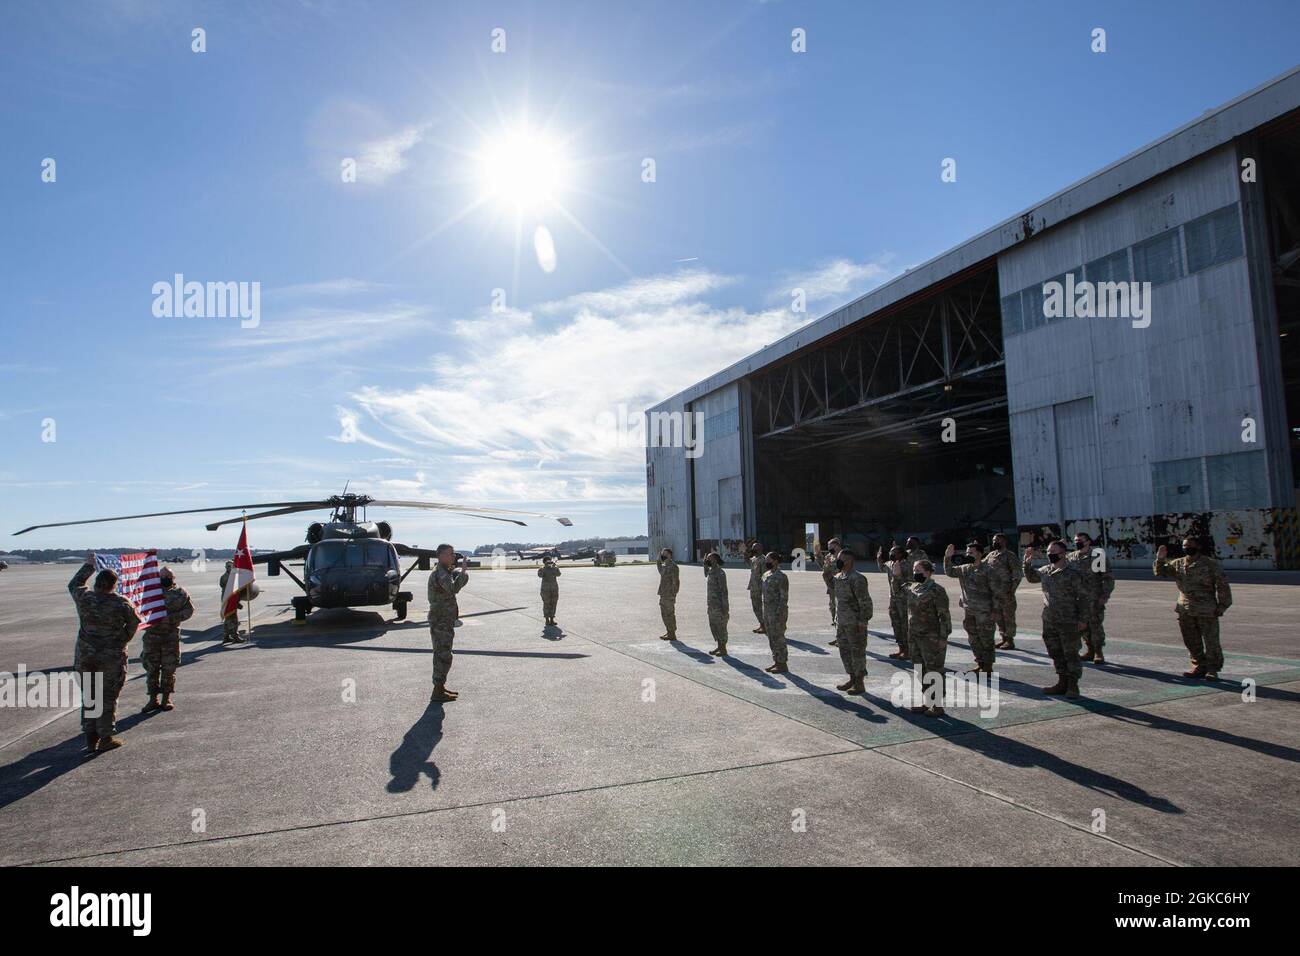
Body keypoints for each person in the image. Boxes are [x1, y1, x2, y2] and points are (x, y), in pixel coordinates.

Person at [68, 558, 140, 751]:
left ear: (97, 583)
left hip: (86, 656)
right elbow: (134, 623)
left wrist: (89, 565)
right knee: (107, 697)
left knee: (90, 696)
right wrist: (121, 640)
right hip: (111, 657)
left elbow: (74, 584)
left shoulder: (84, 597)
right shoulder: (121, 603)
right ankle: (106, 737)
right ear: (114, 585)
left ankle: (90, 737)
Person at [1153, 536, 1233, 680]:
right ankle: (1198, 666)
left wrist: (1222, 606)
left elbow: (1222, 586)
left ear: (1198, 547)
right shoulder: (1178, 564)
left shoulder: (1210, 564)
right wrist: (1160, 559)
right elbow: (1160, 572)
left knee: (1211, 641)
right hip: (1185, 609)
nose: (1186, 548)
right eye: (1184, 545)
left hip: (1206, 609)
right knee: (1191, 640)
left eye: (1189, 545)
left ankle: (1212, 669)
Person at [1023, 541, 1088, 698]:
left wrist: (1083, 619)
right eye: (1048, 551)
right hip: (1050, 619)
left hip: (1069, 620)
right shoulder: (1046, 570)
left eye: (1053, 552)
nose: (1050, 554)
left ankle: (1073, 686)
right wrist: (1026, 563)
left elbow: (1084, 598)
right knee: (1055, 652)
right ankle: (1062, 682)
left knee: (1070, 653)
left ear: (1063, 553)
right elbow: (1031, 577)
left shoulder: (1074, 572)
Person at [141, 566, 194, 713]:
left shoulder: (180, 593)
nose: (165, 579)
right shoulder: (150, 593)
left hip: (170, 637)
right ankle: (152, 699)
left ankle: (166, 699)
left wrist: (173, 618)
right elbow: (138, 609)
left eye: (168, 577)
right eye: (162, 576)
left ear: (173, 578)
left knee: (169, 669)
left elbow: (189, 610)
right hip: (152, 637)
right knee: (151, 669)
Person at [944, 541, 996, 674]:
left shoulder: (989, 569)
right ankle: (980, 663)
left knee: (986, 639)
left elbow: (997, 591)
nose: (968, 555)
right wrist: (947, 557)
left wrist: (995, 610)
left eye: (971, 552)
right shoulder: (965, 568)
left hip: (984, 611)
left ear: (979, 554)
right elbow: (950, 572)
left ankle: (988, 666)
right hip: (969, 610)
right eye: (967, 552)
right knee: (973, 638)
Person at [906, 559, 951, 716]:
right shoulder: (913, 587)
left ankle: (938, 706)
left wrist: (943, 638)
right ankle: (927, 701)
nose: (915, 573)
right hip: (915, 636)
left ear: (928, 572)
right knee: (920, 670)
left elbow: (944, 616)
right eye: (914, 570)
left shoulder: (937, 590)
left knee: (934, 670)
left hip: (931, 637)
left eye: (918, 571)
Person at [1066, 530, 1116, 664]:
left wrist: (1105, 595)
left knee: (1095, 625)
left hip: (1093, 597)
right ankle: (1090, 650)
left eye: (1080, 541)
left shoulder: (1096, 555)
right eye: (1076, 541)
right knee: (1083, 626)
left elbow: (1107, 577)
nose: (1077, 543)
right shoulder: (1071, 557)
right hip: (1077, 599)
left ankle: (1099, 652)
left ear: (1088, 542)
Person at [428, 545, 469, 702]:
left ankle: (440, 687)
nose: (453, 556)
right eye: (450, 554)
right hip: (441, 620)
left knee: (443, 653)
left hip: (444, 619)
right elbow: (452, 588)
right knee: (443, 654)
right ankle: (438, 690)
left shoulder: (444, 571)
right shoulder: (441, 573)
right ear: (441, 556)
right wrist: (463, 572)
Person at [832, 549, 872, 694]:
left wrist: (863, 621)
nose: (838, 561)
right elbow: (829, 585)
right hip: (842, 622)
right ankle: (852, 678)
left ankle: (859, 683)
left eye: (841, 559)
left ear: (849, 561)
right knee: (844, 651)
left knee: (857, 652)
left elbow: (865, 602)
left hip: (855, 623)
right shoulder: (838, 577)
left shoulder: (857, 579)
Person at [984, 533, 1022, 649]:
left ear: (1004, 542)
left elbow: (1017, 575)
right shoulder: (991, 555)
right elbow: (981, 565)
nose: (995, 542)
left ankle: (1010, 641)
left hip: (1006, 593)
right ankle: (1003, 638)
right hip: (994, 594)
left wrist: (1011, 590)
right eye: (994, 540)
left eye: (998, 540)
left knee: (1008, 617)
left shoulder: (1009, 556)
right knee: (998, 617)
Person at [878, 545, 911, 659]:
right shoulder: (890, 564)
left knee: (905, 625)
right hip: (893, 599)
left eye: (894, 553)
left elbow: (910, 584)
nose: (891, 554)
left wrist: (899, 576)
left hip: (904, 599)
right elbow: (882, 567)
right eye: (891, 552)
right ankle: (901, 649)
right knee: (896, 624)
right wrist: (879, 558)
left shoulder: (907, 565)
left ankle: (908, 650)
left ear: (901, 554)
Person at [760, 551, 789, 673]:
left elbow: (784, 598)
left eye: (768, 560)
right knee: (771, 637)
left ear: (775, 561)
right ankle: (776, 661)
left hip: (777, 612)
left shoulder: (781, 577)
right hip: (767, 611)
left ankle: (782, 663)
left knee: (779, 638)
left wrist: (779, 614)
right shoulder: (766, 574)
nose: (766, 562)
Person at [815, 537, 842, 642]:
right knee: (833, 609)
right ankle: (838, 635)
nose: (830, 549)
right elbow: (823, 566)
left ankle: (841, 638)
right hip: (832, 587)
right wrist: (818, 554)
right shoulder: (829, 557)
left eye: (832, 547)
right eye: (828, 547)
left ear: (838, 546)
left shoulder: (843, 556)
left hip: (841, 588)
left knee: (840, 612)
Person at [703, 551, 730, 656]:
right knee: (713, 626)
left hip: (719, 605)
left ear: (714, 560)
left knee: (721, 627)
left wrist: (725, 607)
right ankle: (719, 647)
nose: (707, 560)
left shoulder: (720, 573)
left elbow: (724, 591)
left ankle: (723, 648)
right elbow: (705, 573)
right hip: (711, 604)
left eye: (709, 559)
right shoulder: (711, 571)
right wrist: (704, 563)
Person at [218, 560, 245, 644]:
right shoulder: (226, 577)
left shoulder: (230, 576)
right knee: (233, 619)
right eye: (228, 566)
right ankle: (235, 636)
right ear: (226, 568)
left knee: (227, 619)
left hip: (229, 599)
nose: (230, 568)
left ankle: (226, 636)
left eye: (231, 566)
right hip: (229, 600)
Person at [656, 548, 679, 641]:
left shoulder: (673, 567)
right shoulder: (665, 566)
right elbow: (660, 571)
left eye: (664, 554)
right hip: (663, 593)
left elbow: (676, 582)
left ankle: (672, 633)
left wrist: (673, 594)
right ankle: (669, 631)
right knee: (664, 614)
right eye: (662, 554)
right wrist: (658, 560)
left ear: (669, 555)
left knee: (670, 614)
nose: (663, 555)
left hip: (669, 594)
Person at [746, 542, 766, 633]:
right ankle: (762, 624)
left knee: (759, 607)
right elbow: (747, 563)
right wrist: (745, 554)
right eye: (753, 548)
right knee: (755, 607)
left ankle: (764, 625)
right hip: (753, 586)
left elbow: (765, 575)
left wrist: (764, 588)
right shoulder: (754, 559)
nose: (754, 549)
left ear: (761, 549)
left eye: (755, 548)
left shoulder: (763, 560)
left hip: (759, 587)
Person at [538, 556, 561, 625]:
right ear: (544, 562)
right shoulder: (542, 569)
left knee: (554, 604)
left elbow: (558, 574)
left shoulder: (554, 568)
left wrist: (554, 566)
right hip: (545, 590)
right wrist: (544, 567)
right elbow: (540, 575)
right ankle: (547, 619)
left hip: (554, 589)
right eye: (547, 561)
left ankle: (552, 619)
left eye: (550, 561)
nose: (549, 562)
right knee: (546, 604)